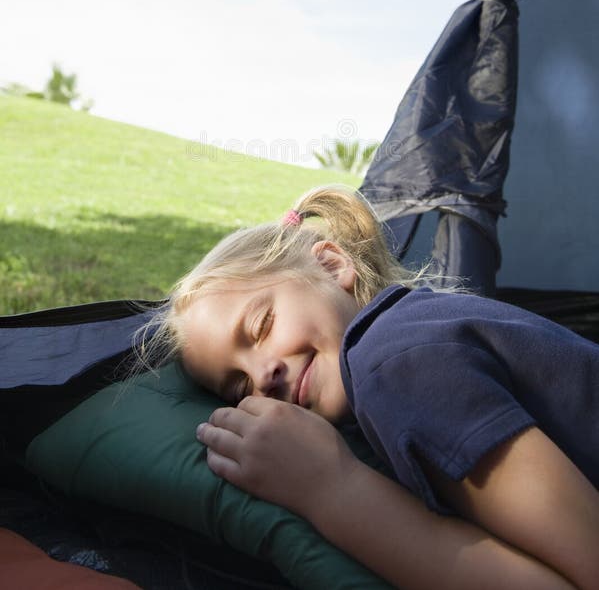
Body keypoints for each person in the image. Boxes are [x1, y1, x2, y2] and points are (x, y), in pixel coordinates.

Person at [142, 184, 599, 590]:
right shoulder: (411, 324)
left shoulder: (395, 364)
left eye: (262, 325)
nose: (263, 376)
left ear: (330, 264)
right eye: (238, 387)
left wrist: (328, 488)